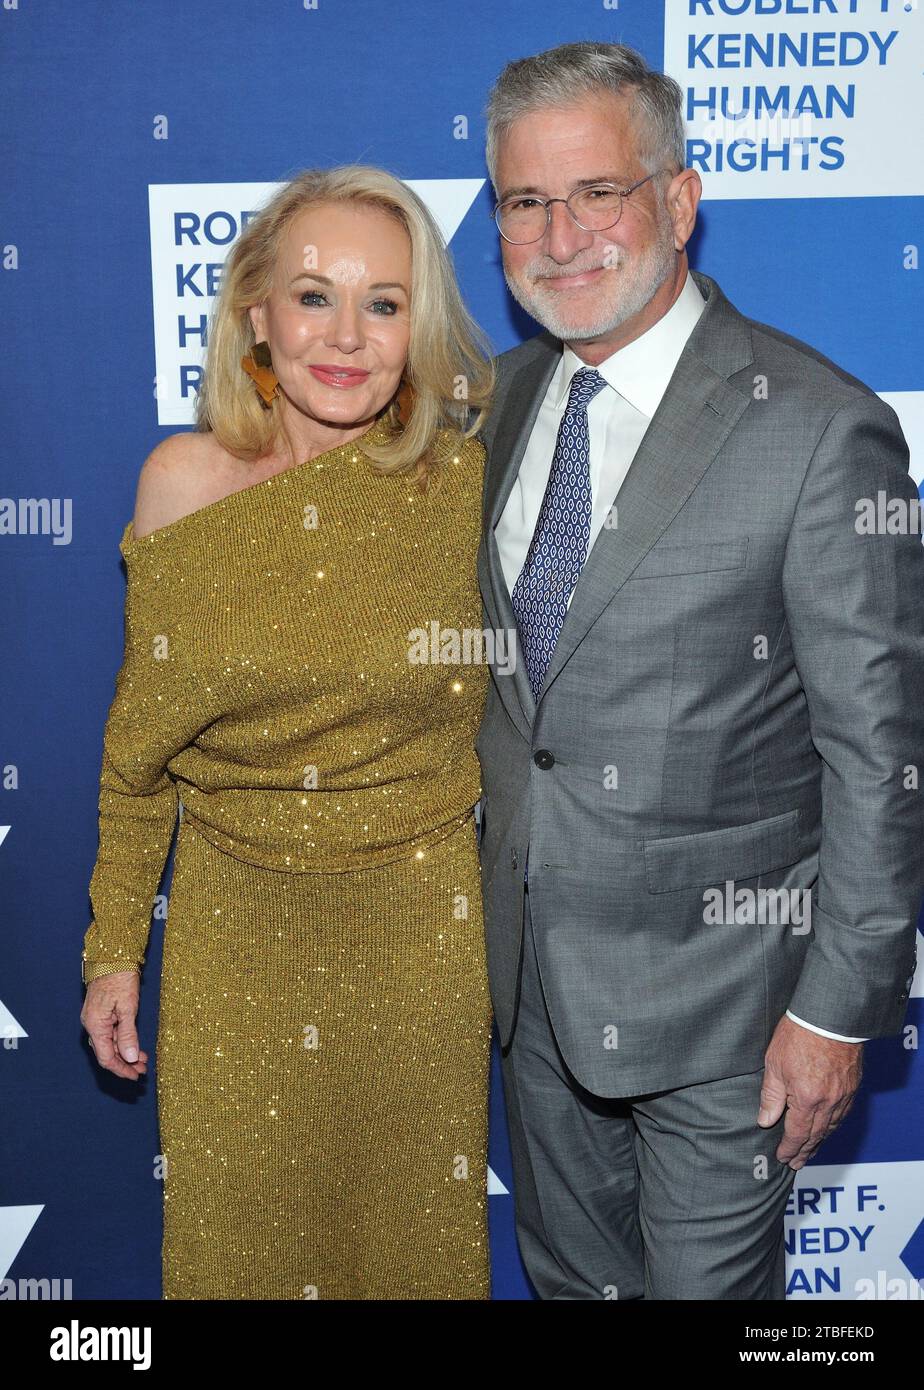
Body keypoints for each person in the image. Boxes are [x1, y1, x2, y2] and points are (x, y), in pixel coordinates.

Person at [475, 41, 924, 1300]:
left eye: (598, 193)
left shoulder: (818, 427)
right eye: (524, 202)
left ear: (678, 200)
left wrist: (838, 1012)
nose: (561, 237)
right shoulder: (497, 401)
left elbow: (881, 756)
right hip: (532, 998)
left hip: (735, 1014)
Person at [80, 165, 495, 1300]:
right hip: (232, 937)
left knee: (414, 1260)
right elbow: (138, 749)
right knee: (239, 1263)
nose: (348, 338)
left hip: (422, 936)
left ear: (422, 325)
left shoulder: (468, 484)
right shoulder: (183, 483)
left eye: (385, 302)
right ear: (256, 312)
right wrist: (115, 943)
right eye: (315, 296)